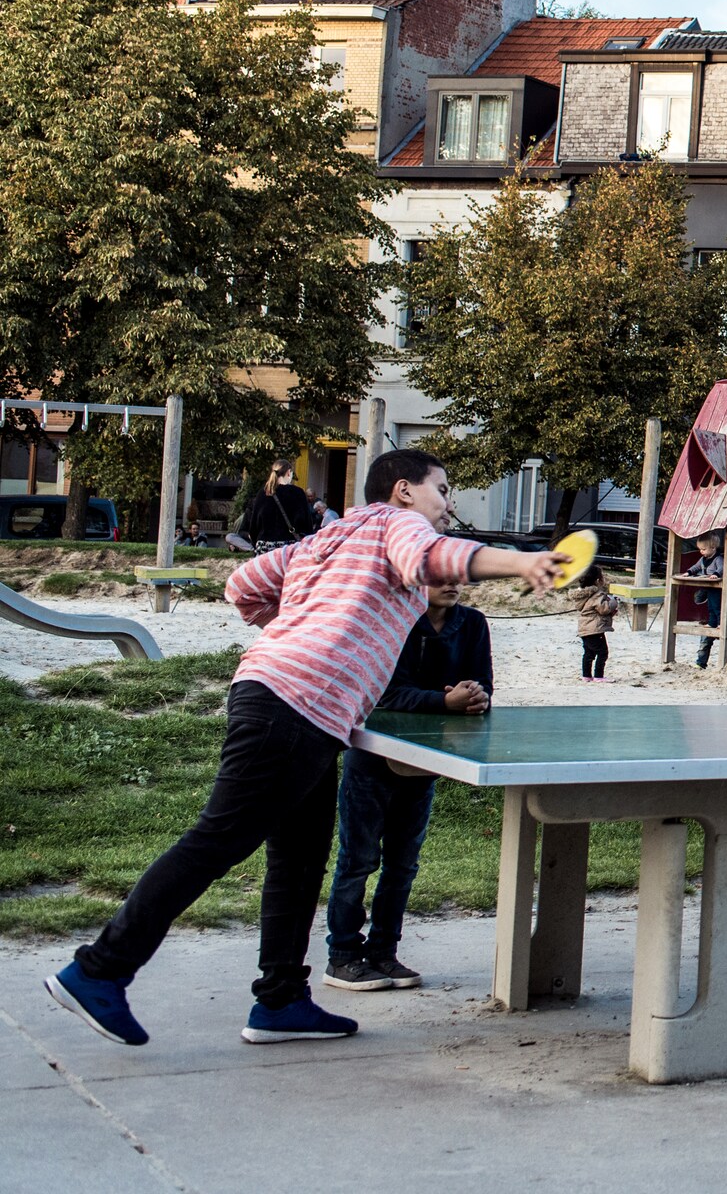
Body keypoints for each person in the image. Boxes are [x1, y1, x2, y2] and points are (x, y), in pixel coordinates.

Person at [46, 449, 561, 1049]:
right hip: (292, 703)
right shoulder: (398, 525)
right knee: (219, 839)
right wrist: (520, 563)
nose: (449, 503)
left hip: (296, 705)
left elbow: (243, 585)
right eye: (442, 490)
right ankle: (98, 970)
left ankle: (282, 1000)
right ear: (402, 491)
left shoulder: (326, 538)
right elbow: (428, 560)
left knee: (299, 857)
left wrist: (298, 623)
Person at [322, 581, 493, 991]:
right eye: (439, 575)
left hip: (424, 760)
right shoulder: (389, 622)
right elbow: (384, 692)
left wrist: (476, 697)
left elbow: (481, 683)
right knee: (358, 859)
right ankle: (342, 956)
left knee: (403, 863)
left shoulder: (472, 623)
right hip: (372, 755)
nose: (452, 583)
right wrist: (442, 701)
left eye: (457, 575)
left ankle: (384, 952)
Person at [231, 460, 313, 553]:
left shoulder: (263, 493)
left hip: (265, 548)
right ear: (289, 473)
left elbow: (254, 526)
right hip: (289, 548)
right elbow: (307, 524)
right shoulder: (298, 493)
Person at [684, 531, 725, 668]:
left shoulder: (718, 558)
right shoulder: (703, 559)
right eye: (700, 549)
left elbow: (721, 568)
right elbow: (696, 567)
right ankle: (712, 622)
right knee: (709, 606)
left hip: (716, 586)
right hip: (707, 585)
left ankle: (719, 622)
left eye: (704, 549)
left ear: (713, 548)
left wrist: (715, 574)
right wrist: (689, 572)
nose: (701, 552)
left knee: (716, 605)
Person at [574, 564, 619, 680]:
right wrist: (614, 602)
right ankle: (599, 676)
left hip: (585, 628)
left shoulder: (584, 595)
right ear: (598, 580)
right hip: (595, 629)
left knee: (589, 653)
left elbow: (593, 610)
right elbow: (604, 609)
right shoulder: (597, 595)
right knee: (603, 652)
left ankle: (586, 676)